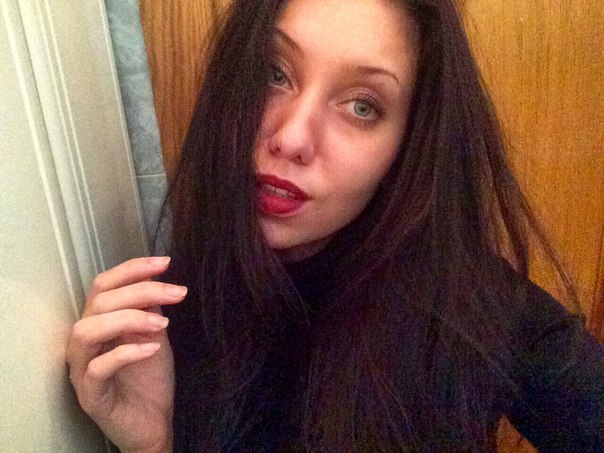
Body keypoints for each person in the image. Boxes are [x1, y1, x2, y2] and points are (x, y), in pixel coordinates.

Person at [66, 0, 604, 451]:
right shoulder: (165, 316)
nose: (292, 138)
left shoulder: (475, 308)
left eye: (362, 106)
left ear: (408, 146)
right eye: (274, 73)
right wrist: (157, 445)